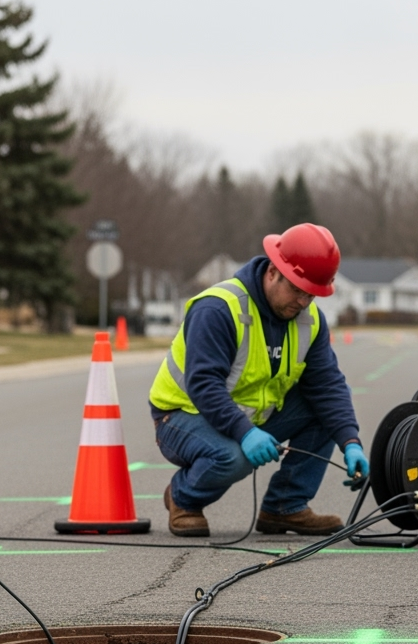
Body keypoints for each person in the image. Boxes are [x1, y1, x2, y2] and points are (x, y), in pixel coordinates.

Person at [149, 223, 369, 537]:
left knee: (326, 410)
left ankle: (285, 507)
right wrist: (245, 433)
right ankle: (182, 498)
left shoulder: (310, 320)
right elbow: (203, 385)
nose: (304, 302)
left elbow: (328, 386)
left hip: (249, 416)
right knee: (235, 457)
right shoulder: (219, 308)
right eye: (296, 289)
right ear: (272, 272)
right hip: (181, 416)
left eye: (312, 294)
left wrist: (350, 442)